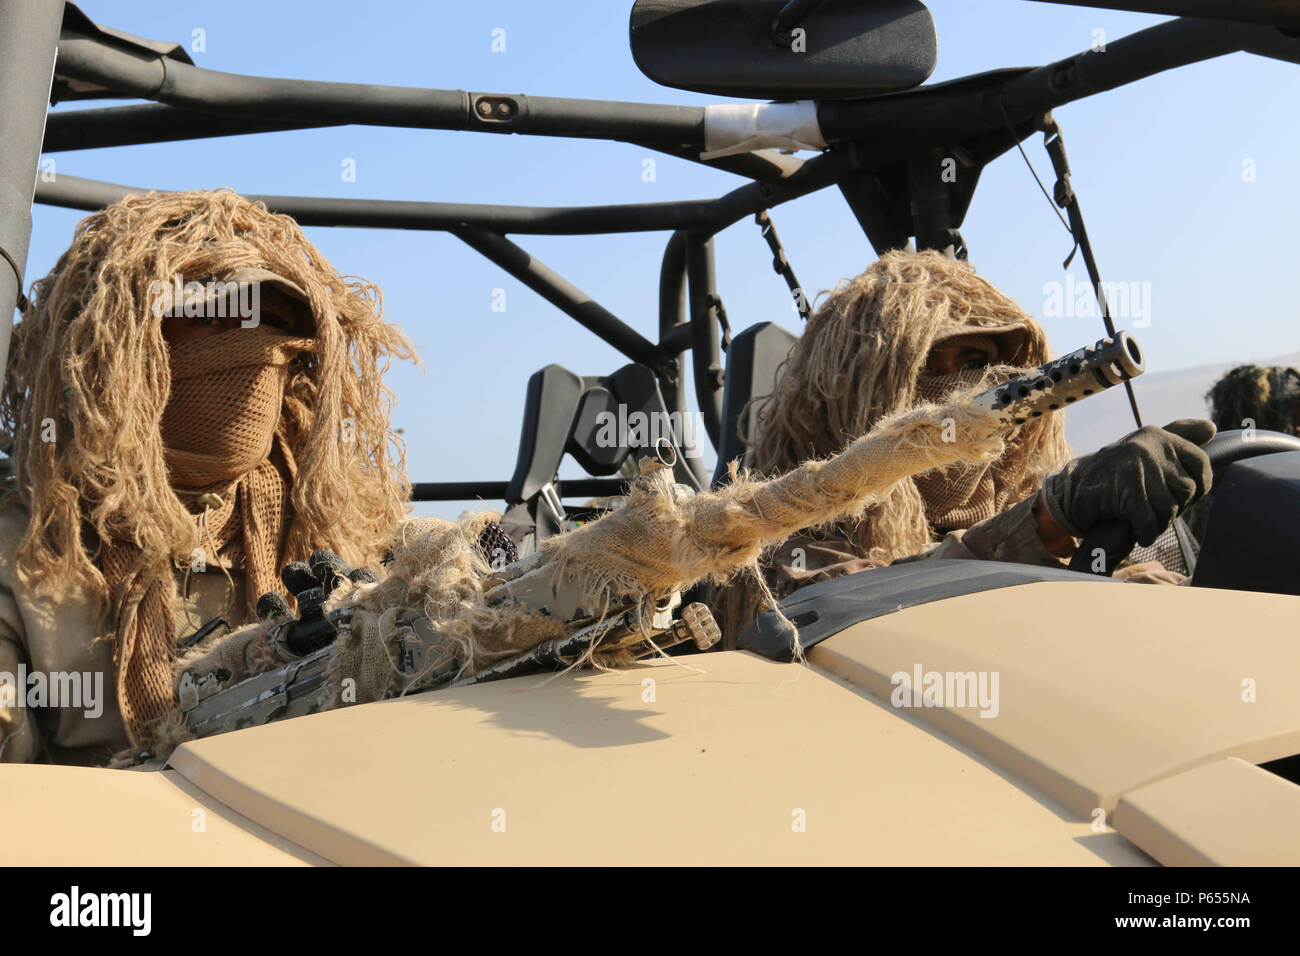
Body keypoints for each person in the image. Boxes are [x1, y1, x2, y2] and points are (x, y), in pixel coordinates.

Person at [0, 189, 417, 764]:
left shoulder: (338, 528)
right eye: (209, 314)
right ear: (119, 348)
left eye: (271, 319)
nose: (250, 344)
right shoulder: (25, 556)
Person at [714, 250, 1212, 645]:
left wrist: (1127, 585)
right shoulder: (777, 530)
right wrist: (1047, 521)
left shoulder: (1015, 488)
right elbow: (861, 614)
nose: (957, 389)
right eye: (927, 364)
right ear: (855, 388)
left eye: (973, 360)